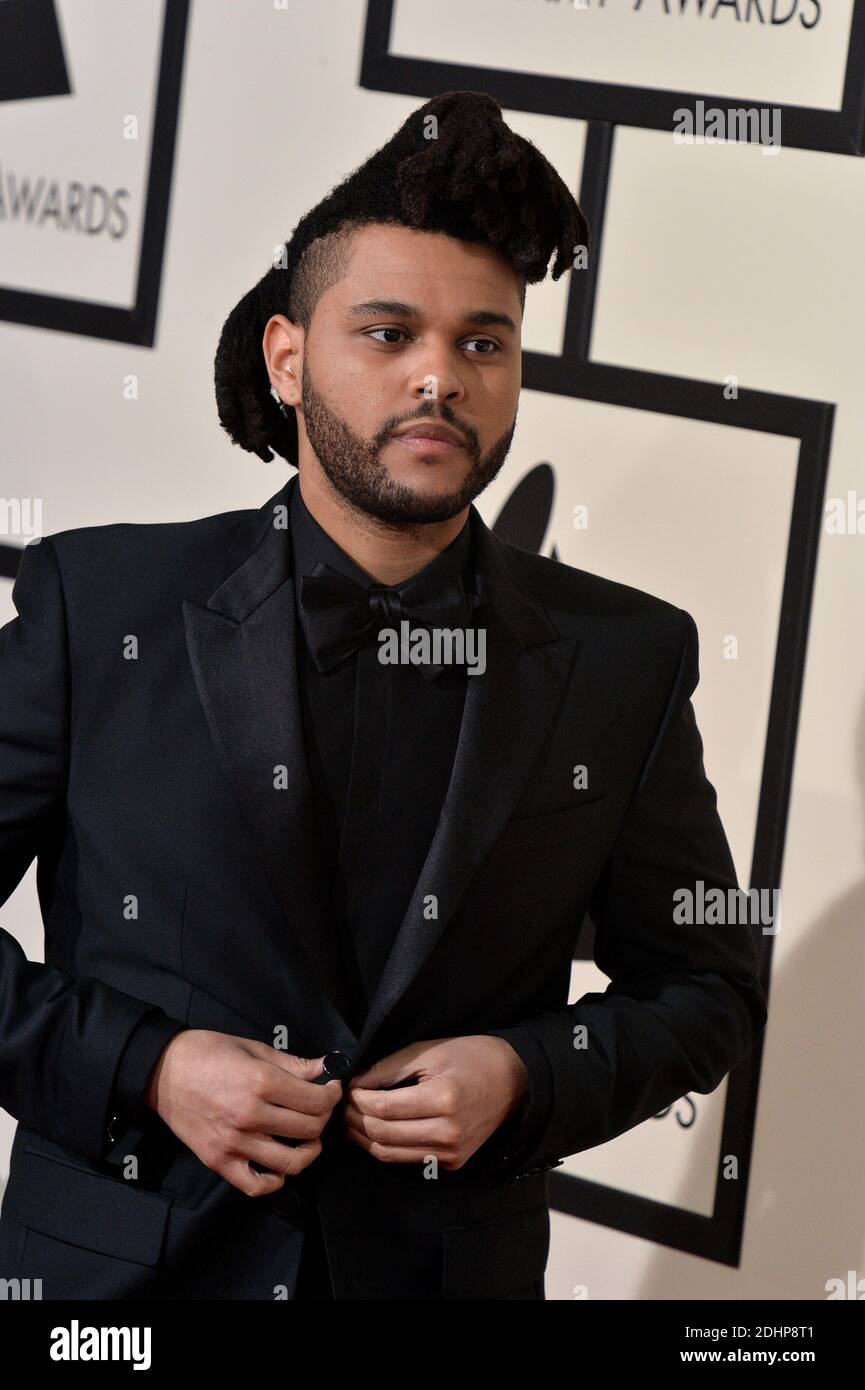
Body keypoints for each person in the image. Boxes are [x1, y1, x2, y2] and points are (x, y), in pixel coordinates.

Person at [0, 90, 767, 1300]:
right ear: (288, 357)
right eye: (387, 332)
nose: (439, 379)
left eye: (481, 342)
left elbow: (707, 986)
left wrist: (527, 1074)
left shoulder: (623, 657)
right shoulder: (103, 606)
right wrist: (143, 1066)